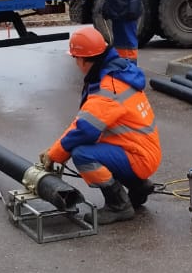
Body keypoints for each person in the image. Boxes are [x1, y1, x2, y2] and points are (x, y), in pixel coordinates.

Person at [40, 27, 162, 224]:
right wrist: (55, 149)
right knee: (95, 144)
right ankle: (138, 186)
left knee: (82, 154)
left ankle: (119, 206)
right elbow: (85, 120)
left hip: (138, 156)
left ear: (81, 59)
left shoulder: (108, 88)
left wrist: (54, 155)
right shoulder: (117, 72)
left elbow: (83, 130)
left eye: (75, 58)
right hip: (141, 149)